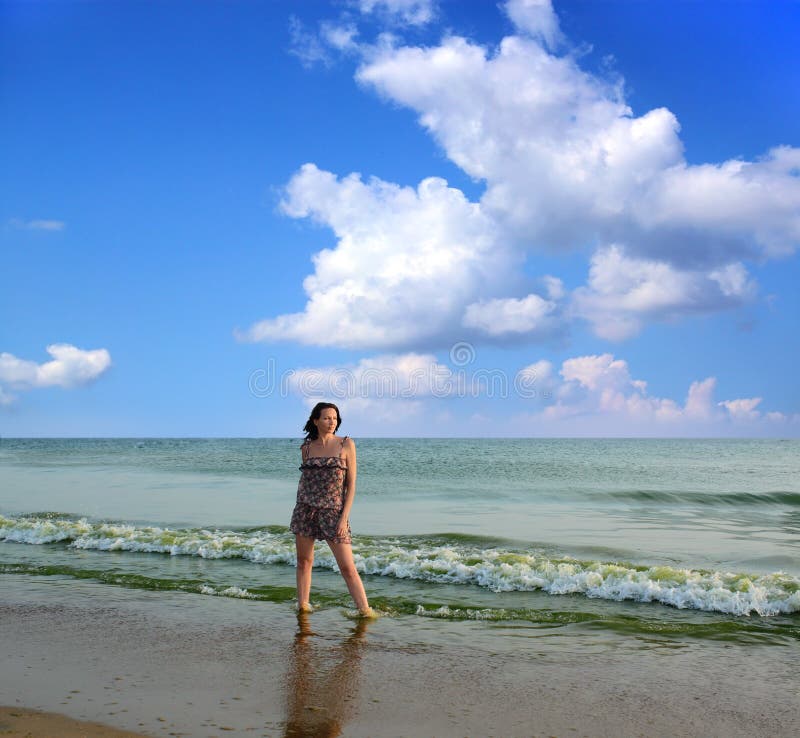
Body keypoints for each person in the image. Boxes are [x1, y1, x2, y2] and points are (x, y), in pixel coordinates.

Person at [289, 402, 375, 617]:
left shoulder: (346, 444)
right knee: (304, 562)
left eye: (335, 418)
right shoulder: (306, 448)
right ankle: (303, 607)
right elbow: (307, 481)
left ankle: (365, 611)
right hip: (305, 509)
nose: (332, 422)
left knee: (347, 567)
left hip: (333, 512)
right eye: (327, 418)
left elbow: (351, 485)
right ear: (316, 420)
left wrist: (344, 517)